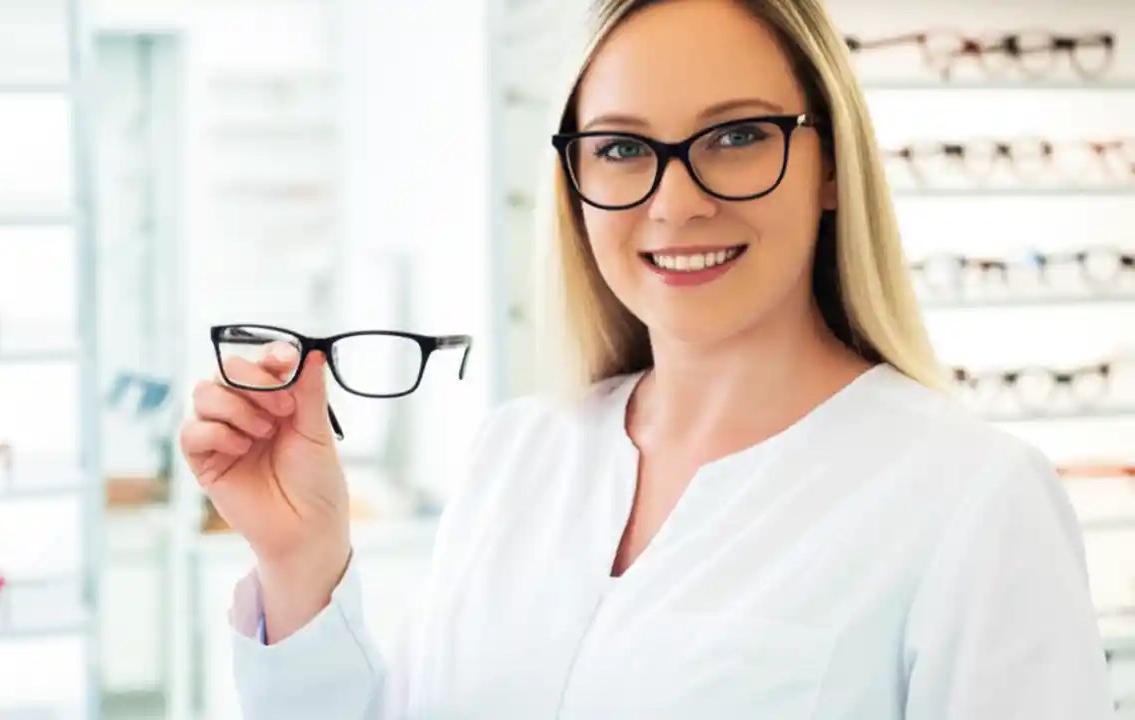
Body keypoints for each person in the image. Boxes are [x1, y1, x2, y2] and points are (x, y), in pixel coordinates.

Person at [178, 0, 1115, 717]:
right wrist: (300, 566)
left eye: (739, 136)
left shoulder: (973, 499)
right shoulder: (519, 453)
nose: (674, 203)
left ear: (833, 165)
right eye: (623, 147)